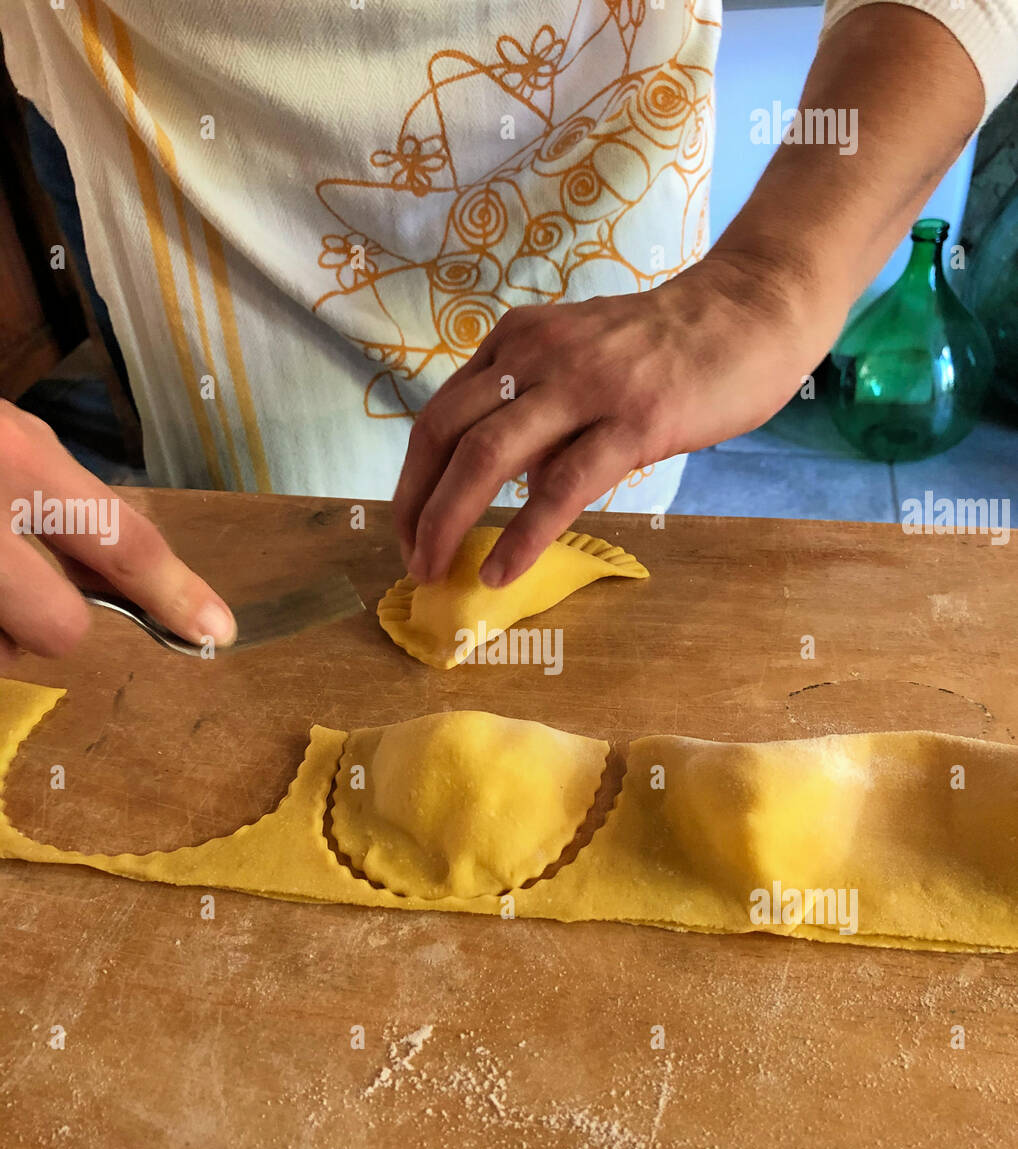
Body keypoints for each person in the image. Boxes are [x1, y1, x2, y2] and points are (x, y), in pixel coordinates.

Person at [0, 0, 1015, 666]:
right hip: (175, 147)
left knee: (595, 542)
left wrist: (771, 279)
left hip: (604, 173)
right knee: (257, 577)